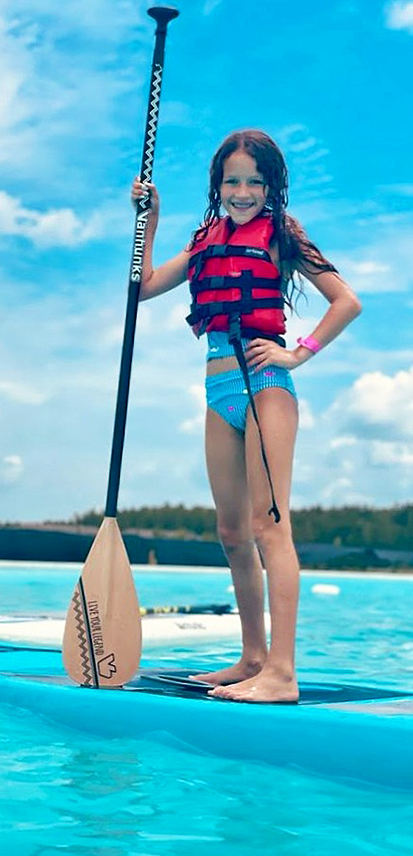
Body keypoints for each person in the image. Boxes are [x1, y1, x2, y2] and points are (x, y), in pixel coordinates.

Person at [131, 129, 361, 703]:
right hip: (218, 391)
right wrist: (149, 221)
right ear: (218, 185)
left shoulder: (282, 234)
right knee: (232, 533)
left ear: (271, 186)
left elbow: (347, 301)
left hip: (265, 388)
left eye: (254, 182)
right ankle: (253, 657)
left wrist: (298, 353)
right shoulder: (205, 239)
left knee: (268, 528)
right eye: (232, 181)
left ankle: (282, 673)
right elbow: (143, 287)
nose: (242, 192)